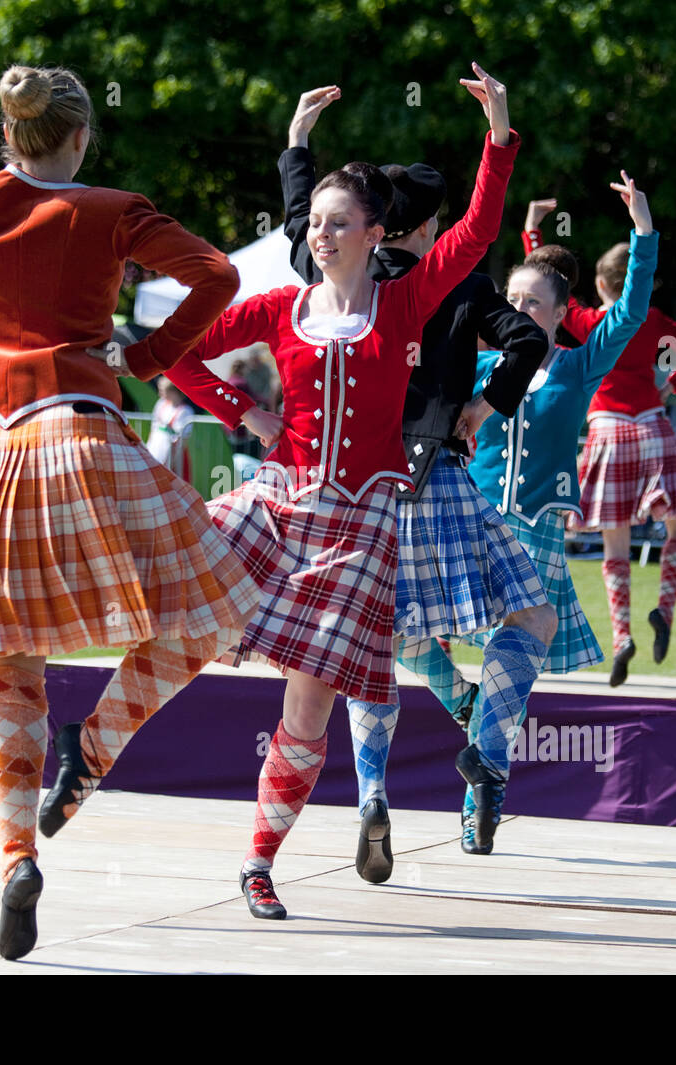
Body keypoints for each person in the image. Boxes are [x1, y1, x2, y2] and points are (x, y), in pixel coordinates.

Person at [0, 0, 257, 960]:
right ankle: (91, 750)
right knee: (213, 614)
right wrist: (148, 354)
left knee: (10, 659)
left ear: (10, 133)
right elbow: (219, 274)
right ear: (84, 134)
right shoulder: (112, 212)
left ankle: (16, 853)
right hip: (80, 434)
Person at [138, 63, 522, 918]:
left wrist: (498, 133)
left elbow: (477, 227)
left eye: (337, 224)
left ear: (375, 231)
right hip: (283, 501)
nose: (319, 234)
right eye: (314, 224)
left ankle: (258, 863)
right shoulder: (284, 299)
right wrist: (250, 415)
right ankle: (80, 751)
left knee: (308, 705)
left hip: (363, 530)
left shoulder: (411, 298)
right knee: (178, 595)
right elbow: (178, 349)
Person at [271, 85, 552, 884]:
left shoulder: (329, 274)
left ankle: (369, 797)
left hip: (359, 493)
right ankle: (487, 752)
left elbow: (301, 224)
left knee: (371, 653)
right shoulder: (446, 280)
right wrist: (482, 406)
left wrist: (298, 145)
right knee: (529, 613)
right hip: (439, 478)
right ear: (426, 228)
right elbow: (527, 337)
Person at [463, 173, 658, 850]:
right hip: (477, 524)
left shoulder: (576, 369)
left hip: (540, 529)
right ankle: (473, 732)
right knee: (426, 641)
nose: (519, 308)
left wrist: (642, 231)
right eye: (510, 299)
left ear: (559, 311)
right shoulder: (479, 363)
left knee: (509, 666)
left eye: (534, 302)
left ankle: (481, 788)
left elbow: (631, 314)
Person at [524, 196, 676, 685]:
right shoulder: (649, 319)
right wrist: (671, 386)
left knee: (614, 542)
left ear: (600, 284)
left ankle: (622, 635)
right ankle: (665, 606)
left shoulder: (588, 323)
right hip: (651, 425)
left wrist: (532, 233)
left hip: (606, 431)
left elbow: (548, 284)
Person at [145, 376, 195, 480]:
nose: (160, 394)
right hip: (157, 451)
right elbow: (153, 429)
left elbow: (183, 440)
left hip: (175, 457)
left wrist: (172, 462)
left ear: (173, 392)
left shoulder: (185, 411)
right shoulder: (160, 404)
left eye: (162, 391)